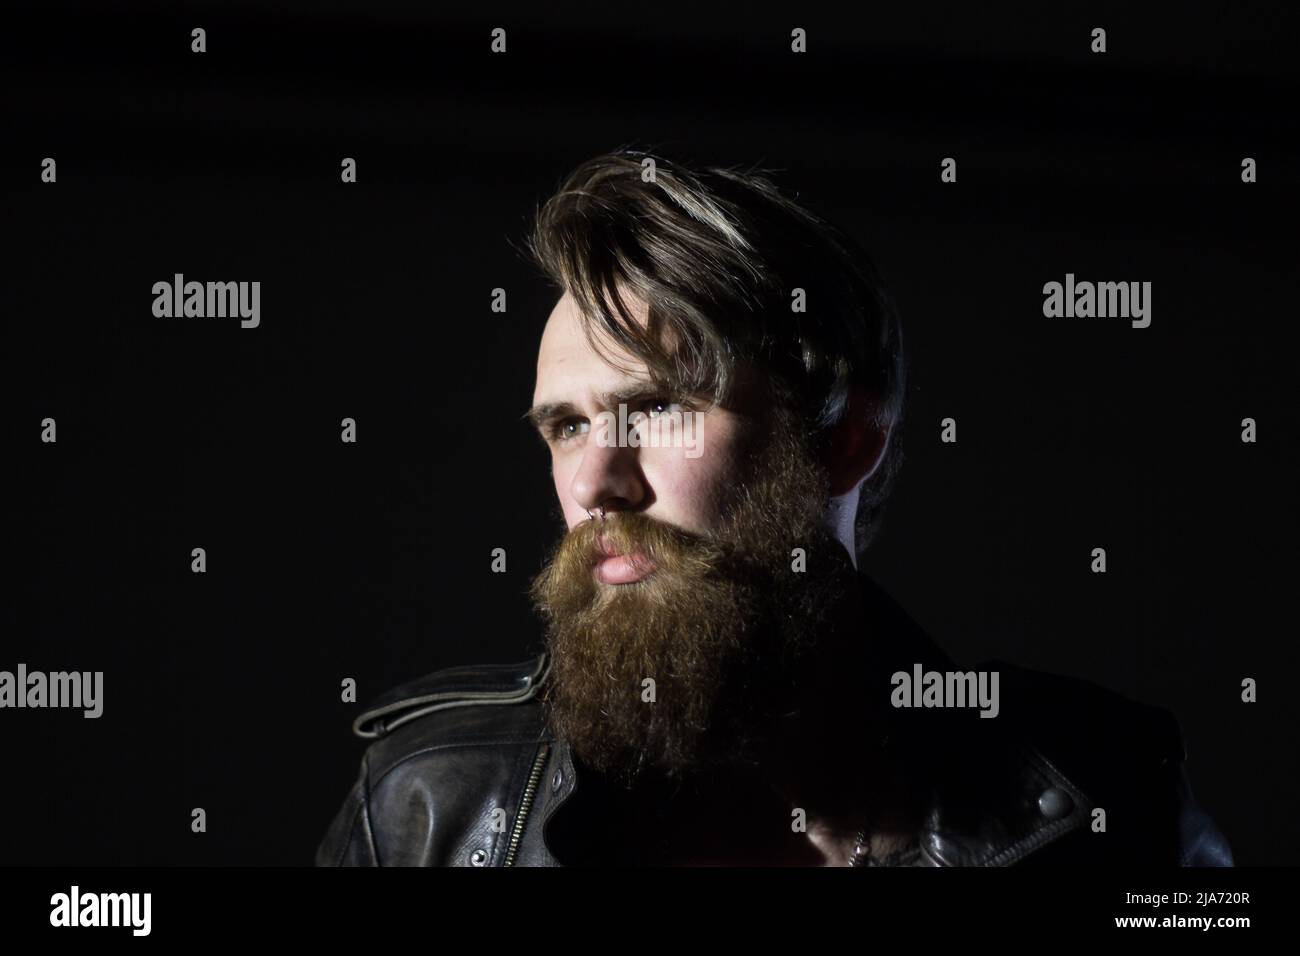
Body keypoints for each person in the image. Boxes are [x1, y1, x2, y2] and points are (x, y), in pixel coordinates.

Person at [315, 149, 1232, 866]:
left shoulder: (1107, 791)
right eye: (565, 426)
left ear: (844, 440)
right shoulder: (425, 801)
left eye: (657, 408)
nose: (596, 483)